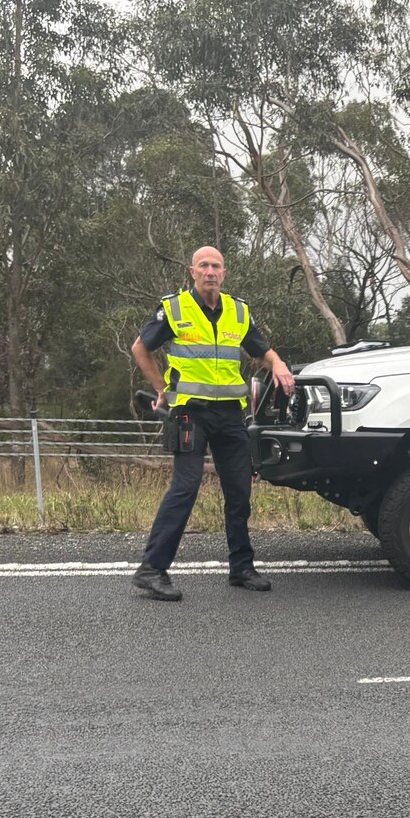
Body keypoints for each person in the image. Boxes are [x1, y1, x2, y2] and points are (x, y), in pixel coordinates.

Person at [130, 245, 295, 600]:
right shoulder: (175, 308)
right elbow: (140, 348)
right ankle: (152, 570)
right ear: (192, 272)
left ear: (224, 272)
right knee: (185, 488)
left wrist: (278, 364)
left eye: (216, 266)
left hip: (231, 415)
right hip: (190, 411)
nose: (210, 272)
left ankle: (242, 568)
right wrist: (161, 389)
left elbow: (259, 348)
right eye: (203, 265)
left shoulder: (238, 310)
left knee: (239, 490)